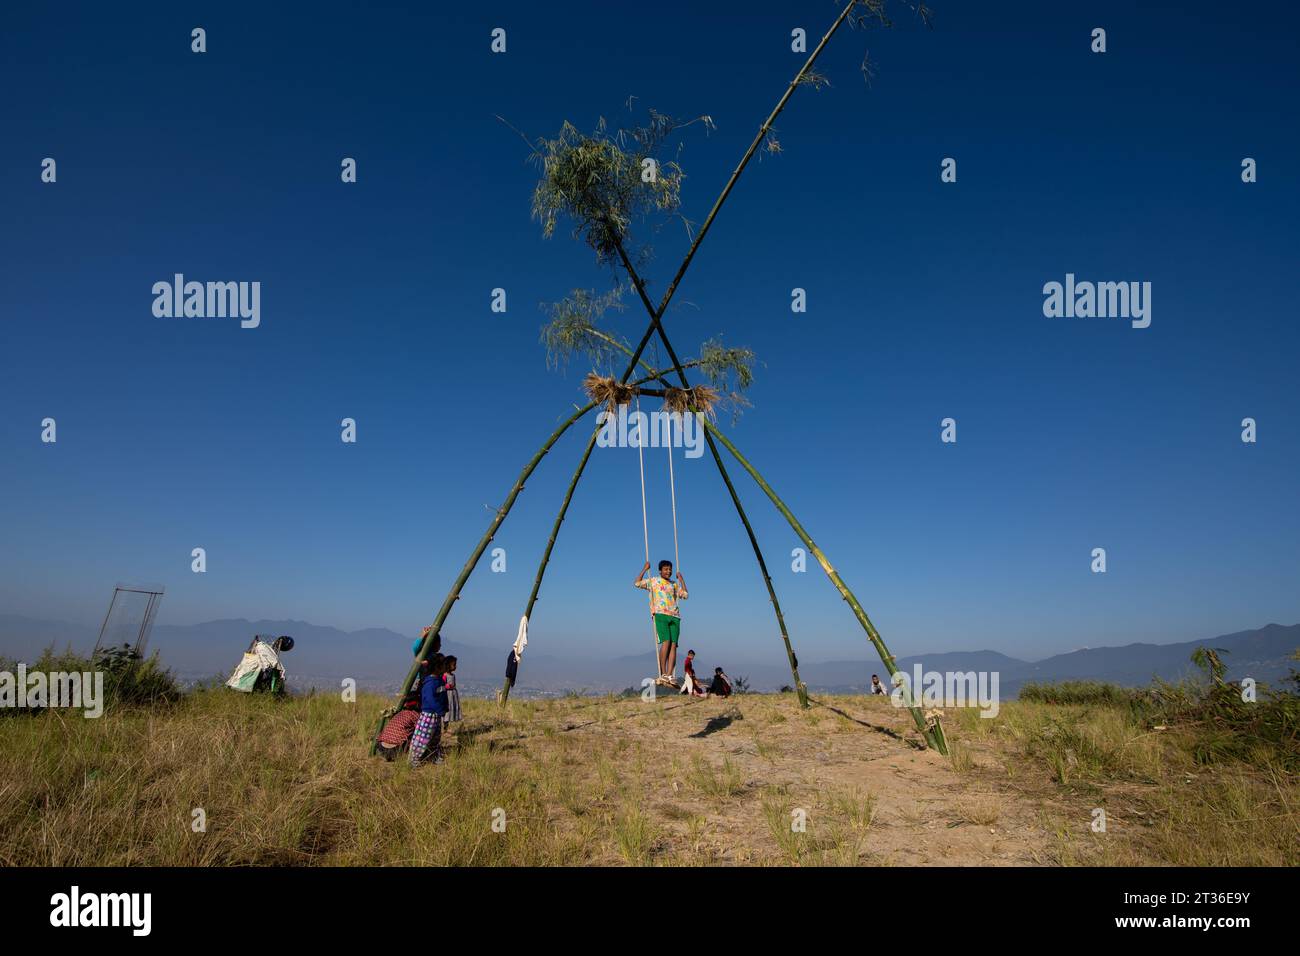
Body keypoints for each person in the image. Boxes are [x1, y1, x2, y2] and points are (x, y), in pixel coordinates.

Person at [635, 559, 688, 687]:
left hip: (674, 616)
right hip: (660, 614)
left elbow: (685, 595)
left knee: (674, 645)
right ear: (660, 571)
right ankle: (663, 673)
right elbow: (637, 583)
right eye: (665, 569)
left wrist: (681, 579)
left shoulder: (674, 584)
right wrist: (645, 568)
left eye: (670, 569)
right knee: (666, 642)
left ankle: (670, 675)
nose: (668, 571)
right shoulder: (654, 581)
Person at [410, 654, 449, 768]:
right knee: (422, 737)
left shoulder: (439, 681)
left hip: (436, 715)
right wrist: (440, 709)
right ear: (437, 667)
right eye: (443, 665)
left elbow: (442, 695)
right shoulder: (430, 683)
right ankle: (414, 759)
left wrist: (445, 707)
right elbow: (430, 699)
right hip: (429, 715)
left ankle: (433, 756)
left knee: (435, 737)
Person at [443, 656, 462, 725]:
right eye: (454, 665)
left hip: (453, 695)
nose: (455, 666)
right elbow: (443, 685)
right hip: (447, 695)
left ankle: (446, 726)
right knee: (447, 710)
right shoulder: (445, 675)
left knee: (451, 708)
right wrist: (447, 686)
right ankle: (445, 726)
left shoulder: (453, 675)